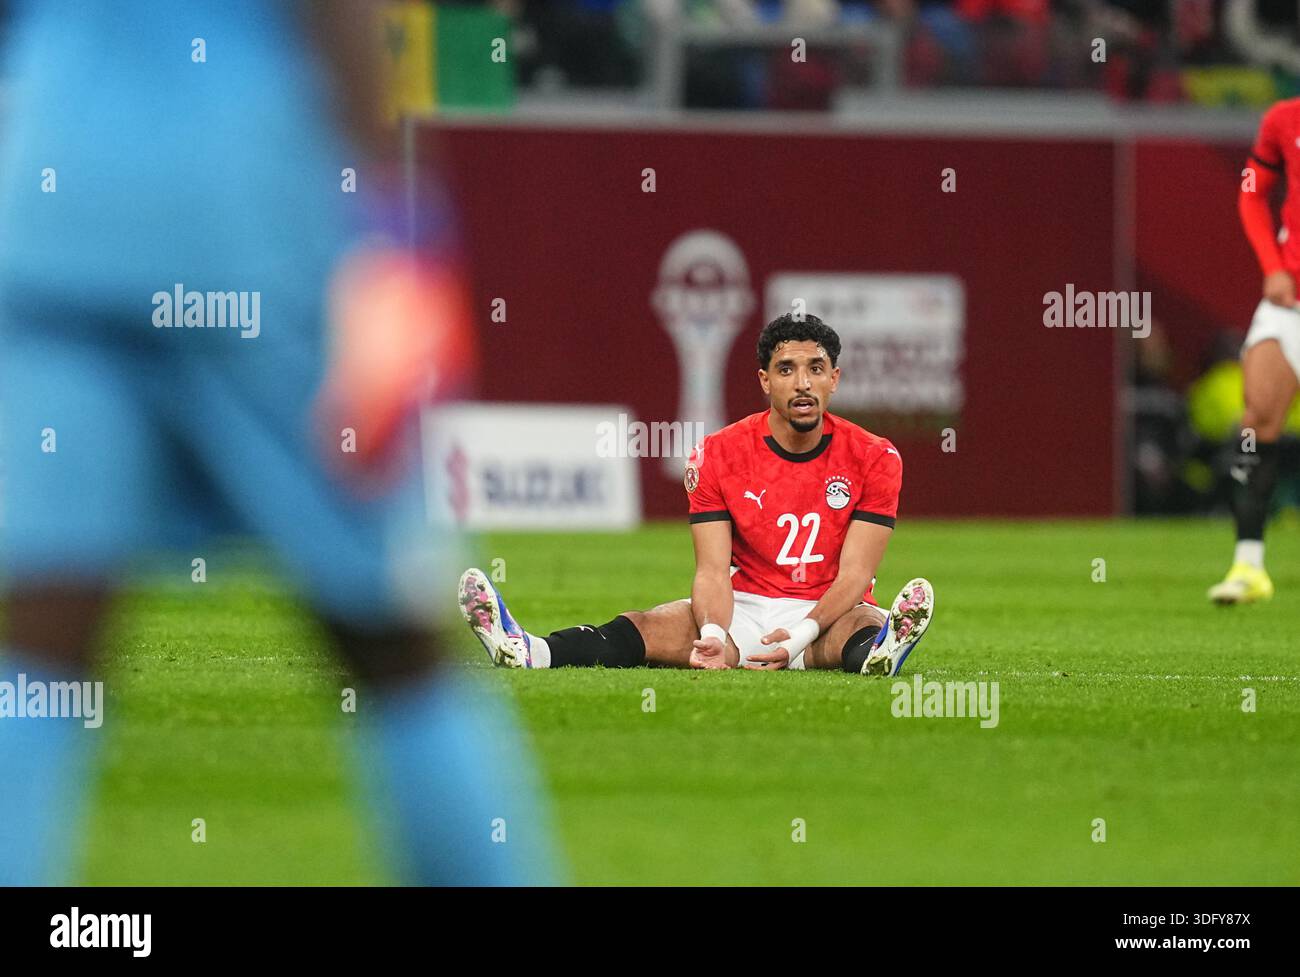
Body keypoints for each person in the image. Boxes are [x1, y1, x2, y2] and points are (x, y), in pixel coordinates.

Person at [0, 0, 554, 885]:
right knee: (390, 634)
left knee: (41, 636)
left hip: (53, 210)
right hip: (243, 221)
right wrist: (393, 225)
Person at [459, 313, 935, 675]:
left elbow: (855, 574)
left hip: (829, 610)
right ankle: (528, 650)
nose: (803, 382)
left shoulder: (875, 457)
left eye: (816, 368)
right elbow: (711, 570)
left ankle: (877, 653)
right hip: (744, 607)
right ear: (765, 381)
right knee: (643, 626)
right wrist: (711, 634)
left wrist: (800, 634)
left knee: (859, 627)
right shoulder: (717, 454)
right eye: (786, 369)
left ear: (836, 378)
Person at [1208, 96, 1300, 604]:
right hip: (1289, 305)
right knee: (1255, 424)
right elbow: (1252, 193)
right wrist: (1273, 265)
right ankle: (1249, 566)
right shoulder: (1283, 120)